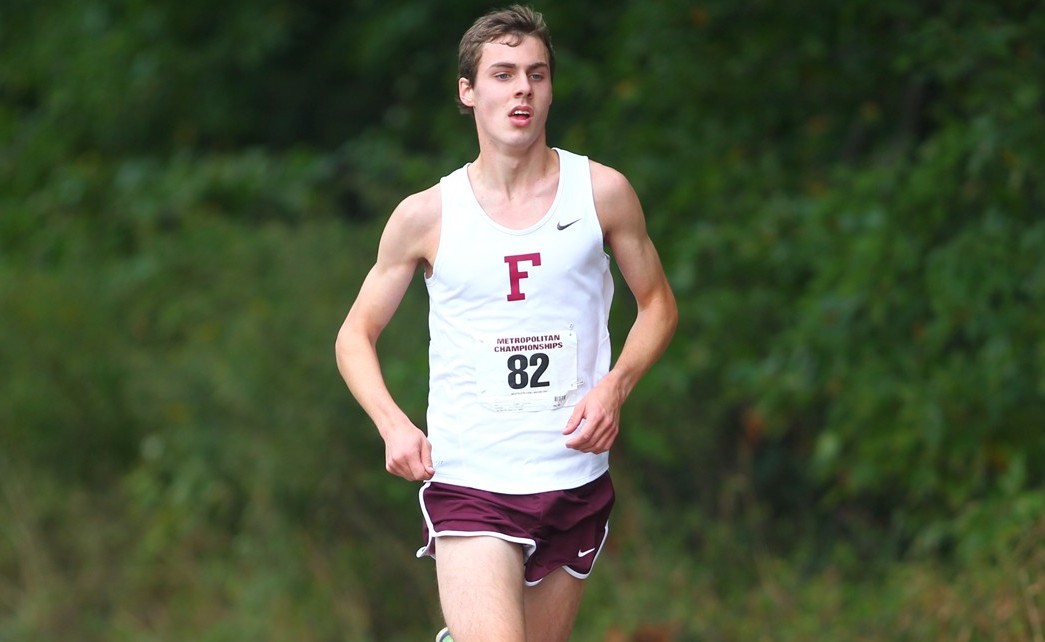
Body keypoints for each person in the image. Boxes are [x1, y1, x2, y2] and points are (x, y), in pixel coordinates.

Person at [334, 5, 677, 641]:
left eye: (537, 74)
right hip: (473, 479)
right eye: (503, 73)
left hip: (572, 479)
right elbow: (355, 335)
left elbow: (657, 304)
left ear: (549, 89)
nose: (523, 87)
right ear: (468, 92)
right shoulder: (426, 215)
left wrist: (616, 387)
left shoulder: (602, 193)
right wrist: (392, 425)